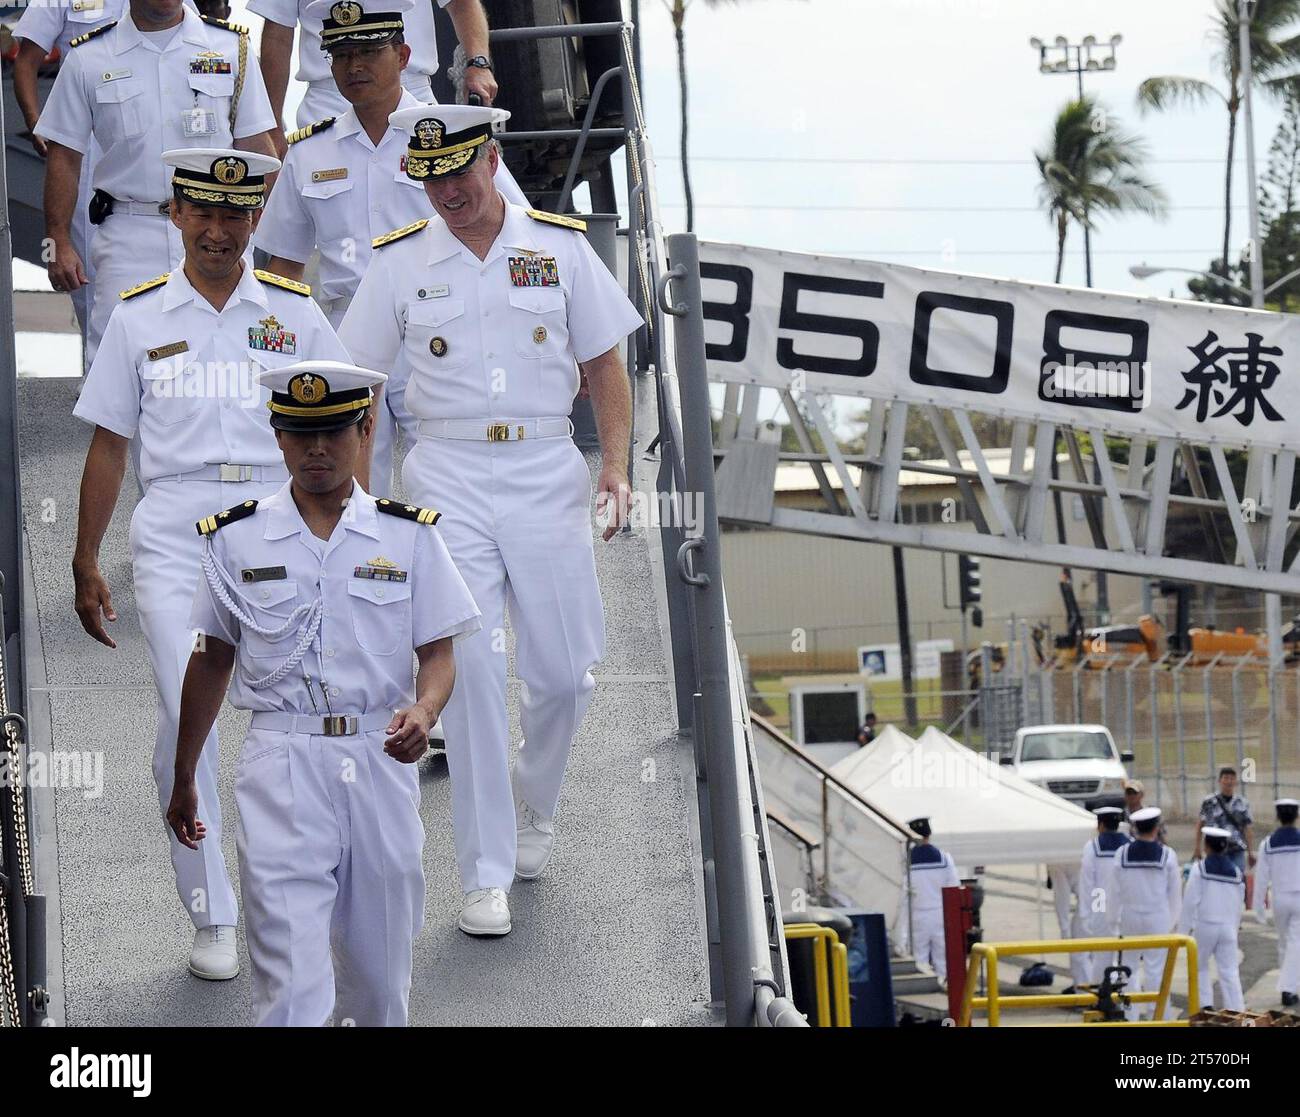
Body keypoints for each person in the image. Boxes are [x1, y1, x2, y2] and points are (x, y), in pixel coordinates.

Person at [339, 104, 642, 936]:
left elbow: (604, 364)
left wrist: (615, 464)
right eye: (430, 180)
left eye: (459, 175)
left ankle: (533, 801)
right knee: (468, 670)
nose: (447, 194)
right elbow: (354, 384)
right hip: (446, 476)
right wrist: (354, 501)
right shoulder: (400, 264)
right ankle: (484, 872)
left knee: (567, 674)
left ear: (492, 160)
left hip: (547, 469)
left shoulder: (561, 248)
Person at [70, 147, 350, 981]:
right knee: (183, 700)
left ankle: (293, 896)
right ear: (176, 216)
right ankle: (212, 911)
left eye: (236, 215)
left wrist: (352, 527)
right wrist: (86, 559)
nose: (220, 230)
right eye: (205, 213)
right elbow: (111, 443)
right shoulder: (138, 315)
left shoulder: (295, 315)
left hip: (276, 519)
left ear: (256, 221)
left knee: (290, 710)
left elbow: (344, 422)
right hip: (173, 528)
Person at [166, 361, 482, 1026]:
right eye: (301, 432)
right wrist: (184, 770)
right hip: (282, 762)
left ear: (365, 429)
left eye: (334, 432)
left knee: (380, 985)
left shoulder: (408, 534)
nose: (317, 449)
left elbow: (439, 652)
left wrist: (425, 710)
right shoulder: (235, 537)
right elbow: (212, 656)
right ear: (277, 434)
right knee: (292, 991)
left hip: (380, 757)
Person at [256, 0, 523, 497]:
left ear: (402, 56)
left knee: (451, 487)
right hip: (346, 337)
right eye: (342, 55)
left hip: (437, 328)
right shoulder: (310, 152)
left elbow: (515, 231)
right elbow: (284, 268)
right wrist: (272, 353)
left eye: (369, 52)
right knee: (351, 498)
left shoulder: (451, 135)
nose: (355, 66)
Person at [35, 0, 280, 362]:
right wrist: (57, 243)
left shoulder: (232, 47)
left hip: (215, 233)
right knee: (116, 364)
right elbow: (64, 159)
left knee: (226, 359)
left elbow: (260, 152)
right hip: (129, 235)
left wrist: (252, 229)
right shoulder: (89, 57)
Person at [11, 0, 133, 339]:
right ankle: (96, 370)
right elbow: (27, 60)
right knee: (84, 264)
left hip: (143, 134)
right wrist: (36, 121)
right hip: (84, 137)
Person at [252, 0, 496, 143]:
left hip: (411, 88)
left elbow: (462, 4)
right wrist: (270, 124)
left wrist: (479, 64)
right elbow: (278, 31)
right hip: (330, 96)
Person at [1105, 806, 1181, 1021]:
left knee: (1128, 969)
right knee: (1156, 970)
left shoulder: (1122, 854)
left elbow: (1113, 892)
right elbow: (1175, 896)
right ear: (1157, 828)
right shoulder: (1167, 855)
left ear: (1135, 828)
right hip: (1158, 918)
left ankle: (1130, 1017)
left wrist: (1113, 920)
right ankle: (1160, 1016)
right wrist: (1172, 923)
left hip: (1130, 917)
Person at [1178, 826, 1245, 1012]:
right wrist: (1235, 927)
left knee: (1199, 966)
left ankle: (1205, 1005)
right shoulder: (1236, 873)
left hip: (1205, 925)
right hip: (1228, 928)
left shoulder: (1200, 869)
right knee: (1230, 972)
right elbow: (1239, 904)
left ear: (1206, 846)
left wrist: (1182, 933)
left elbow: (1190, 902)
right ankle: (1236, 1010)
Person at [1253, 797, 1300, 1007]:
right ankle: (1288, 988)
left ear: (1277, 817)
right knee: (1295, 943)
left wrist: (1258, 908)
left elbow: (1261, 877)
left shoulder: (1268, 843)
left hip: (1279, 898)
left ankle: (1289, 987)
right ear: (1297, 816)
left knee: (1284, 943)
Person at [903, 817, 961, 987]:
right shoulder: (944, 858)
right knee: (942, 958)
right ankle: (945, 990)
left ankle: (924, 989)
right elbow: (953, 887)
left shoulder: (906, 861)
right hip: (940, 913)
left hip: (916, 913)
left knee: (919, 958)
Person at [1077, 805, 1129, 987]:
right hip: (1125, 908)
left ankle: (1101, 998)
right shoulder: (1130, 846)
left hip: (1101, 905)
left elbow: (1087, 883)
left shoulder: (1092, 847)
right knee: (1127, 960)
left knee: (1102, 956)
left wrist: (1086, 914)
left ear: (1100, 825)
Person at [1195, 767, 1255, 876]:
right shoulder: (1209, 802)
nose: (1229, 781)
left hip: (1236, 848)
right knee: (1214, 878)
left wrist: (1250, 852)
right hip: (1214, 849)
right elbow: (1200, 824)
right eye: (1226, 778)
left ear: (1236, 782)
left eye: (1232, 779)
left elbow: (1247, 828)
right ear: (1220, 781)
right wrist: (1197, 847)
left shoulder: (1242, 802)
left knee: (1237, 879)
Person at [1047, 858, 1089, 993]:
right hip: (1101, 903)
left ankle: (1085, 993)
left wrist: (1064, 929)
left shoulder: (1054, 860)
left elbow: (1062, 896)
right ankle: (1104, 991)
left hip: (1087, 908)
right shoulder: (1089, 847)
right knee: (1101, 953)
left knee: (1079, 954)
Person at [1122, 779, 1168, 844]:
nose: (1131, 796)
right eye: (1129, 792)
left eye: (1135, 793)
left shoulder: (1152, 815)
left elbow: (1162, 837)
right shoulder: (1120, 815)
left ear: (1142, 794)